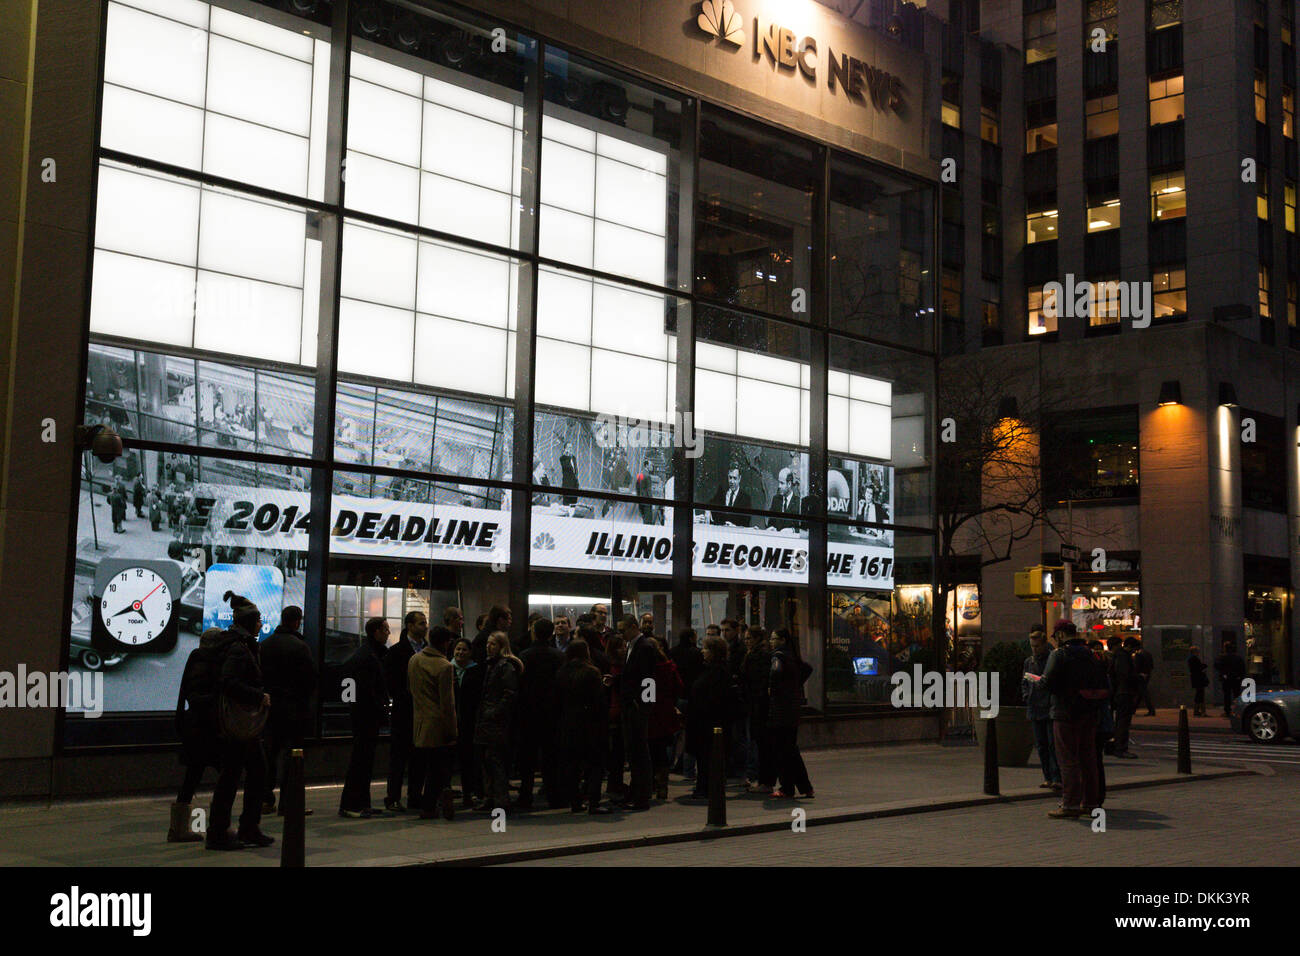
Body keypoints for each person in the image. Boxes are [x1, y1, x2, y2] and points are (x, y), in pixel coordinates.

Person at [207, 592, 274, 850]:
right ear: (249, 622)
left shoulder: (239, 643)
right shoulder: (239, 647)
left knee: (243, 776)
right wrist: (259, 696)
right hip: (240, 726)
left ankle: (242, 828)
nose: (260, 625)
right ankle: (225, 832)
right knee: (240, 777)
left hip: (240, 726)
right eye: (258, 621)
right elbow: (229, 682)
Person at [1041, 622, 1106, 818]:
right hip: (1088, 710)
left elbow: (1047, 682)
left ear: (1060, 634)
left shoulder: (1059, 655)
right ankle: (1091, 802)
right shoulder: (1091, 654)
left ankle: (1070, 804)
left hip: (1064, 711)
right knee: (1088, 758)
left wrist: (1036, 681)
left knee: (1067, 759)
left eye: (1055, 636)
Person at [259, 606, 317, 816]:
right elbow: (310, 679)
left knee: (270, 755)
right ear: (296, 621)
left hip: (270, 709)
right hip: (293, 710)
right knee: (292, 758)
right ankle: (288, 803)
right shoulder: (300, 647)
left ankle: (265, 800)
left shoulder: (264, 645)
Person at [170, 627, 224, 842]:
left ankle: (179, 828)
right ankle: (218, 825)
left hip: (196, 728)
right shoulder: (207, 662)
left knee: (193, 776)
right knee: (224, 773)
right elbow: (198, 696)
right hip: (207, 729)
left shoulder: (197, 658)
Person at [339, 618, 390, 818]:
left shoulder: (366, 653)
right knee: (361, 760)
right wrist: (380, 708)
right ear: (376, 632)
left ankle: (362, 802)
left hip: (364, 714)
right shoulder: (367, 656)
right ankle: (351, 804)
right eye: (385, 629)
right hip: (366, 715)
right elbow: (368, 690)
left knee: (364, 760)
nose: (388, 633)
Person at [554, 640, 611, 814]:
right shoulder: (591, 672)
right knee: (595, 764)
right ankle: (594, 802)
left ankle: (575, 801)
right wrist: (605, 687)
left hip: (568, 722)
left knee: (572, 764)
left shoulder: (561, 673)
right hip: (590, 724)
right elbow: (598, 701)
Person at [408, 625, 458, 821]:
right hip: (437, 724)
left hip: (419, 721)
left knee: (421, 766)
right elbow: (448, 703)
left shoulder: (414, 659)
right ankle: (430, 806)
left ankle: (420, 801)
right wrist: (452, 731)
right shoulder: (445, 666)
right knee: (438, 770)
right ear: (445, 643)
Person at [686, 635, 741, 800]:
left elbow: (716, 699)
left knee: (709, 756)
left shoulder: (719, 672)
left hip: (710, 723)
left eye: (706, 649)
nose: (703, 651)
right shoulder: (709, 669)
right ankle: (704, 786)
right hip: (704, 722)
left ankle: (708, 787)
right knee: (704, 757)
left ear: (714, 652)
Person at [382, 611, 427, 812]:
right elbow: (391, 682)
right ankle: (393, 797)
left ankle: (415, 796)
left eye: (425, 622)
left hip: (422, 712)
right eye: (421, 623)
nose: (425, 626)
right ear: (409, 625)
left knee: (419, 757)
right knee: (399, 757)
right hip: (404, 710)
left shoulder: (428, 650)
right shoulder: (397, 651)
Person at [518, 618, 564, 809]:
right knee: (550, 757)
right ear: (551, 633)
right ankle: (553, 795)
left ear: (534, 633)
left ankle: (526, 795)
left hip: (529, 712)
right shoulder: (558, 656)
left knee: (527, 757)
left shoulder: (524, 656)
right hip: (551, 712)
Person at [475, 631, 522, 812]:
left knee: (494, 760)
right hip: (488, 719)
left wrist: (495, 711)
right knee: (488, 760)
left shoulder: (505, 666)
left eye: (493, 644)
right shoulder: (492, 665)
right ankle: (491, 796)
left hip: (496, 721)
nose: (489, 647)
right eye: (488, 643)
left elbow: (509, 693)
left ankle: (500, 799)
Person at [767, 628, 813, 798]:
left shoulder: (778, 656)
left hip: (780, 711)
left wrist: (773, 688)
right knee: (791, 749)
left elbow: (775, 671)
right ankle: (805, 786)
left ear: (783, 640)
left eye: (774, 638)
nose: (771, 641)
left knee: (781, 750)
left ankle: (787, 787)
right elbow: (808, 668)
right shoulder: (793, 656)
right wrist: (795, 686)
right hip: (792, 710)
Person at [619, 614, 658, 811]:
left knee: (639, 751)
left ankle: (641, 795)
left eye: (624, 630)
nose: (621, 634)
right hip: (633, 705)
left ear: (633, 627)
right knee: (634, 752)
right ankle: (637, 791)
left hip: (637, 708)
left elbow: (649, 678)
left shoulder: (644, 647)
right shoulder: (632, 646)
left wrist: (645, 706)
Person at [1022, 627, 1061, 792]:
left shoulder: (1051, 659)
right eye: (1032, 646)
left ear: (1044, 644)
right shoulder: (1029, 662)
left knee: (1052, 744)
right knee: (1041, 745)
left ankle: (1056, 777)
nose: (1035, 649)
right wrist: (1026, 694)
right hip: (1035, 706)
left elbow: (1048, 681)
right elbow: (1025, 680)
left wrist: (1036, 681)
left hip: (1048, 706)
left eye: (1037, 646)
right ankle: (1048, 777)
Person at [647, 638, 683, 800]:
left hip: (651, 715)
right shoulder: (669, 667)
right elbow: (679, 687)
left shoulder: (648, 669)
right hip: (666, 712)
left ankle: (653, 783)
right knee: (662, 749)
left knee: (651, 750)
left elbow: (646, 695)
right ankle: (663, 785)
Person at [451, 637, 484, 809]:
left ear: (470, 653)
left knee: (468, 759)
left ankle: (469, 792)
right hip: (450, 721)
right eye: (458, 649)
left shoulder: (476, 671)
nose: (460, 653)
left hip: (469, 722)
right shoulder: (448, 669)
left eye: (464, 650)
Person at [740, 625, 773, 792]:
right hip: (755, 703)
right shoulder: (752, 655)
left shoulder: (759, 657)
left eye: (749, 638)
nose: (747, 642)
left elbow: (754, 680)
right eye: (745, 638)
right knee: (757, 742)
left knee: (760, 743)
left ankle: (763, 780)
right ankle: (761, 778)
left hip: (757, 705)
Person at [669, 628, 704, 777]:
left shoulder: (672, 652)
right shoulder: (696, 653)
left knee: (674, 733)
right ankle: (687, 768)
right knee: (690, 733)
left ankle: (669, 763)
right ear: (691, 638)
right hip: (692, 696)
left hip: (677, 696)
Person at [1109, 637, 1140, 758]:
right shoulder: (1123, 657)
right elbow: (1125, 675)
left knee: (1120, 721)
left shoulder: (1117, 656)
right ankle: (1121, 748)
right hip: (1124, 692)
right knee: (1123, 721)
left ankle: (1117, 745)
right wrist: (1138, 677)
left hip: (1120, 692)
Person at [1214, 640, 1246, 718]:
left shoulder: (1222, 657)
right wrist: (1240, 676)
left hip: (1226, 679)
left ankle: (1227, 711)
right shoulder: (1237, 657)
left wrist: (1223, 673)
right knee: (1236, 695)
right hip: (1236, 679)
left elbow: (1216, 666)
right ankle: (1237, 710)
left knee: (1227, 695)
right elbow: (1242, 668)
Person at [767, 468, 803, 532]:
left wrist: (793, 530)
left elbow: (803, 529)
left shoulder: (799, 503)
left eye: (782, 483)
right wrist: (771, 528)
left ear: (789, 484)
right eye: (779, 482)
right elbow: (770, 523)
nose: (779, 486)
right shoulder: (776, 500)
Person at [1132, 639, 1156, 716]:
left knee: (1143, 693)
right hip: (1147, 674)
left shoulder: (1138, 654)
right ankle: (1133, 709)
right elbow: (1152, 665)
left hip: (1141, 675)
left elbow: (1137, 666)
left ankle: (1151, 710)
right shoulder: (1148, 653)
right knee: (1141, 692)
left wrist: (1136, 674)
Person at [1188, 645, 1209, 716]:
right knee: (1200, 695)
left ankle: (1197, 710)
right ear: (1194, 652)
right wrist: (1204, 666)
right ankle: (1200, 711)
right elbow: (1199, 668)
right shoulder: (1194, 659)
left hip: (1195, 679)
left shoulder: (1190, 659)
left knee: (1199, 694)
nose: (1198, 652)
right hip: (1199, 679)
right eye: (1197, 651)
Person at [560, 441, 579, 505]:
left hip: (574, 486)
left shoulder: (573, 458)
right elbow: (566, 466)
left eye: (571, 447)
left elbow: (575, 470)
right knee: (566, 505)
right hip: (567, 486)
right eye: (568, 447)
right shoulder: (563, 458)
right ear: (565, 449)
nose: (570, 449)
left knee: (574, 506)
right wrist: (566, 455)